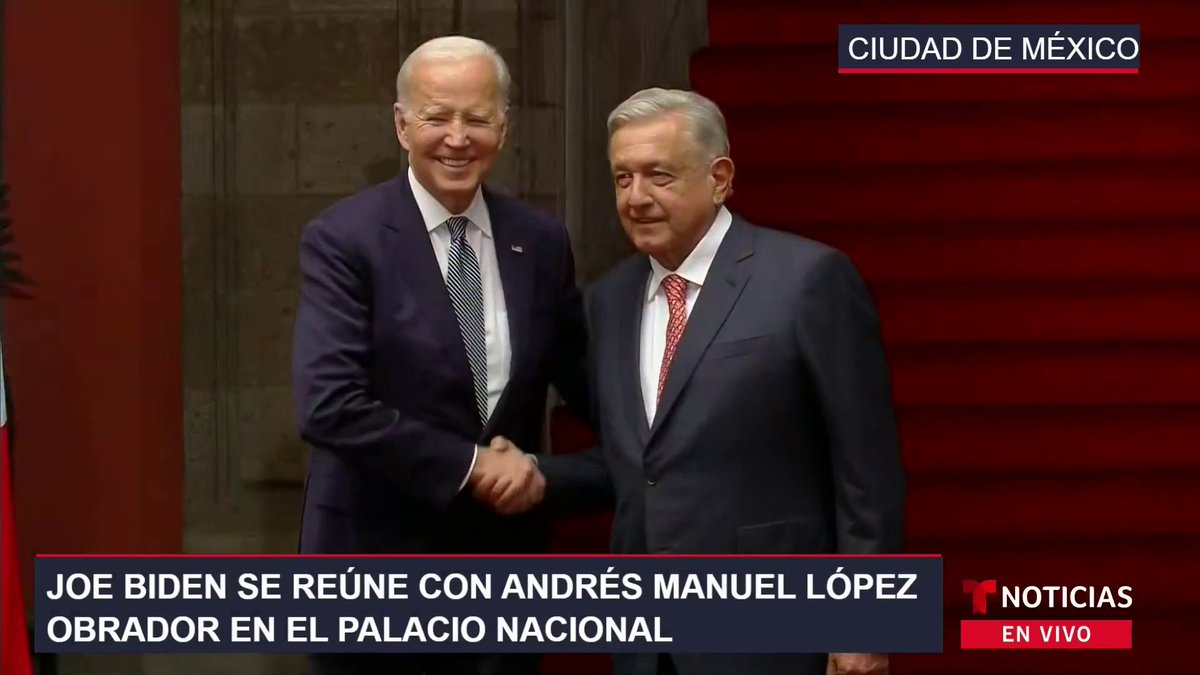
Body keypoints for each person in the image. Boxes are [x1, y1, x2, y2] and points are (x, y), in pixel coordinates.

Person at [525, 88, 906, 675]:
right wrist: (534, 474)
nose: (636, 198)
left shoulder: (808, 279)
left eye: (659, 176)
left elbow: (866, 465)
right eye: (623, 178)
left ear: (720, 178)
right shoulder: (607, 301)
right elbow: (644, 461)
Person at [291, 35, 587, 675]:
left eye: (477, 118)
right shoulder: (345, 240)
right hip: (375, 569)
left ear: (504, 127)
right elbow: (329, 405)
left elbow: (587, 384)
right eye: (437, 117)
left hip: (504, 575)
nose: (458, 138)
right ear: (402, 126)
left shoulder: (540, 242)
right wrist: (473, 466)